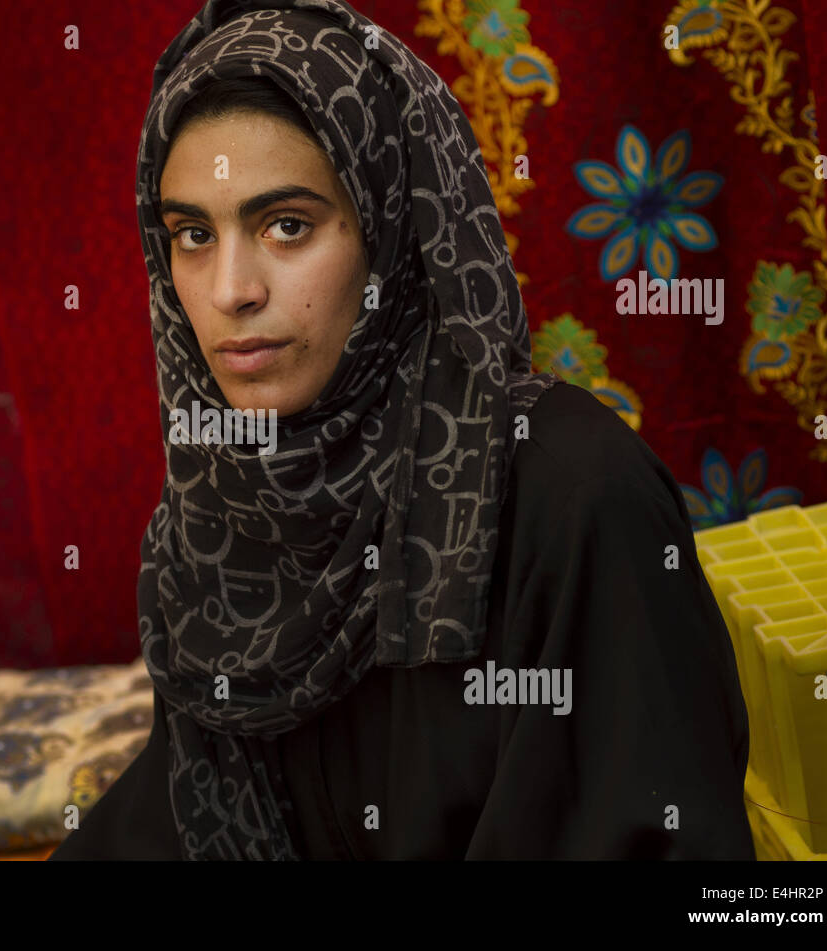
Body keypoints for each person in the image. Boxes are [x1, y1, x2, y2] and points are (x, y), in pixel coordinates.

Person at [49, 0, 755, 860]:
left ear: (392, 233)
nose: (230, 289)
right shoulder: (224, 509)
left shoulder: (571, 494)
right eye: (193, 234)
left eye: (287, 226)